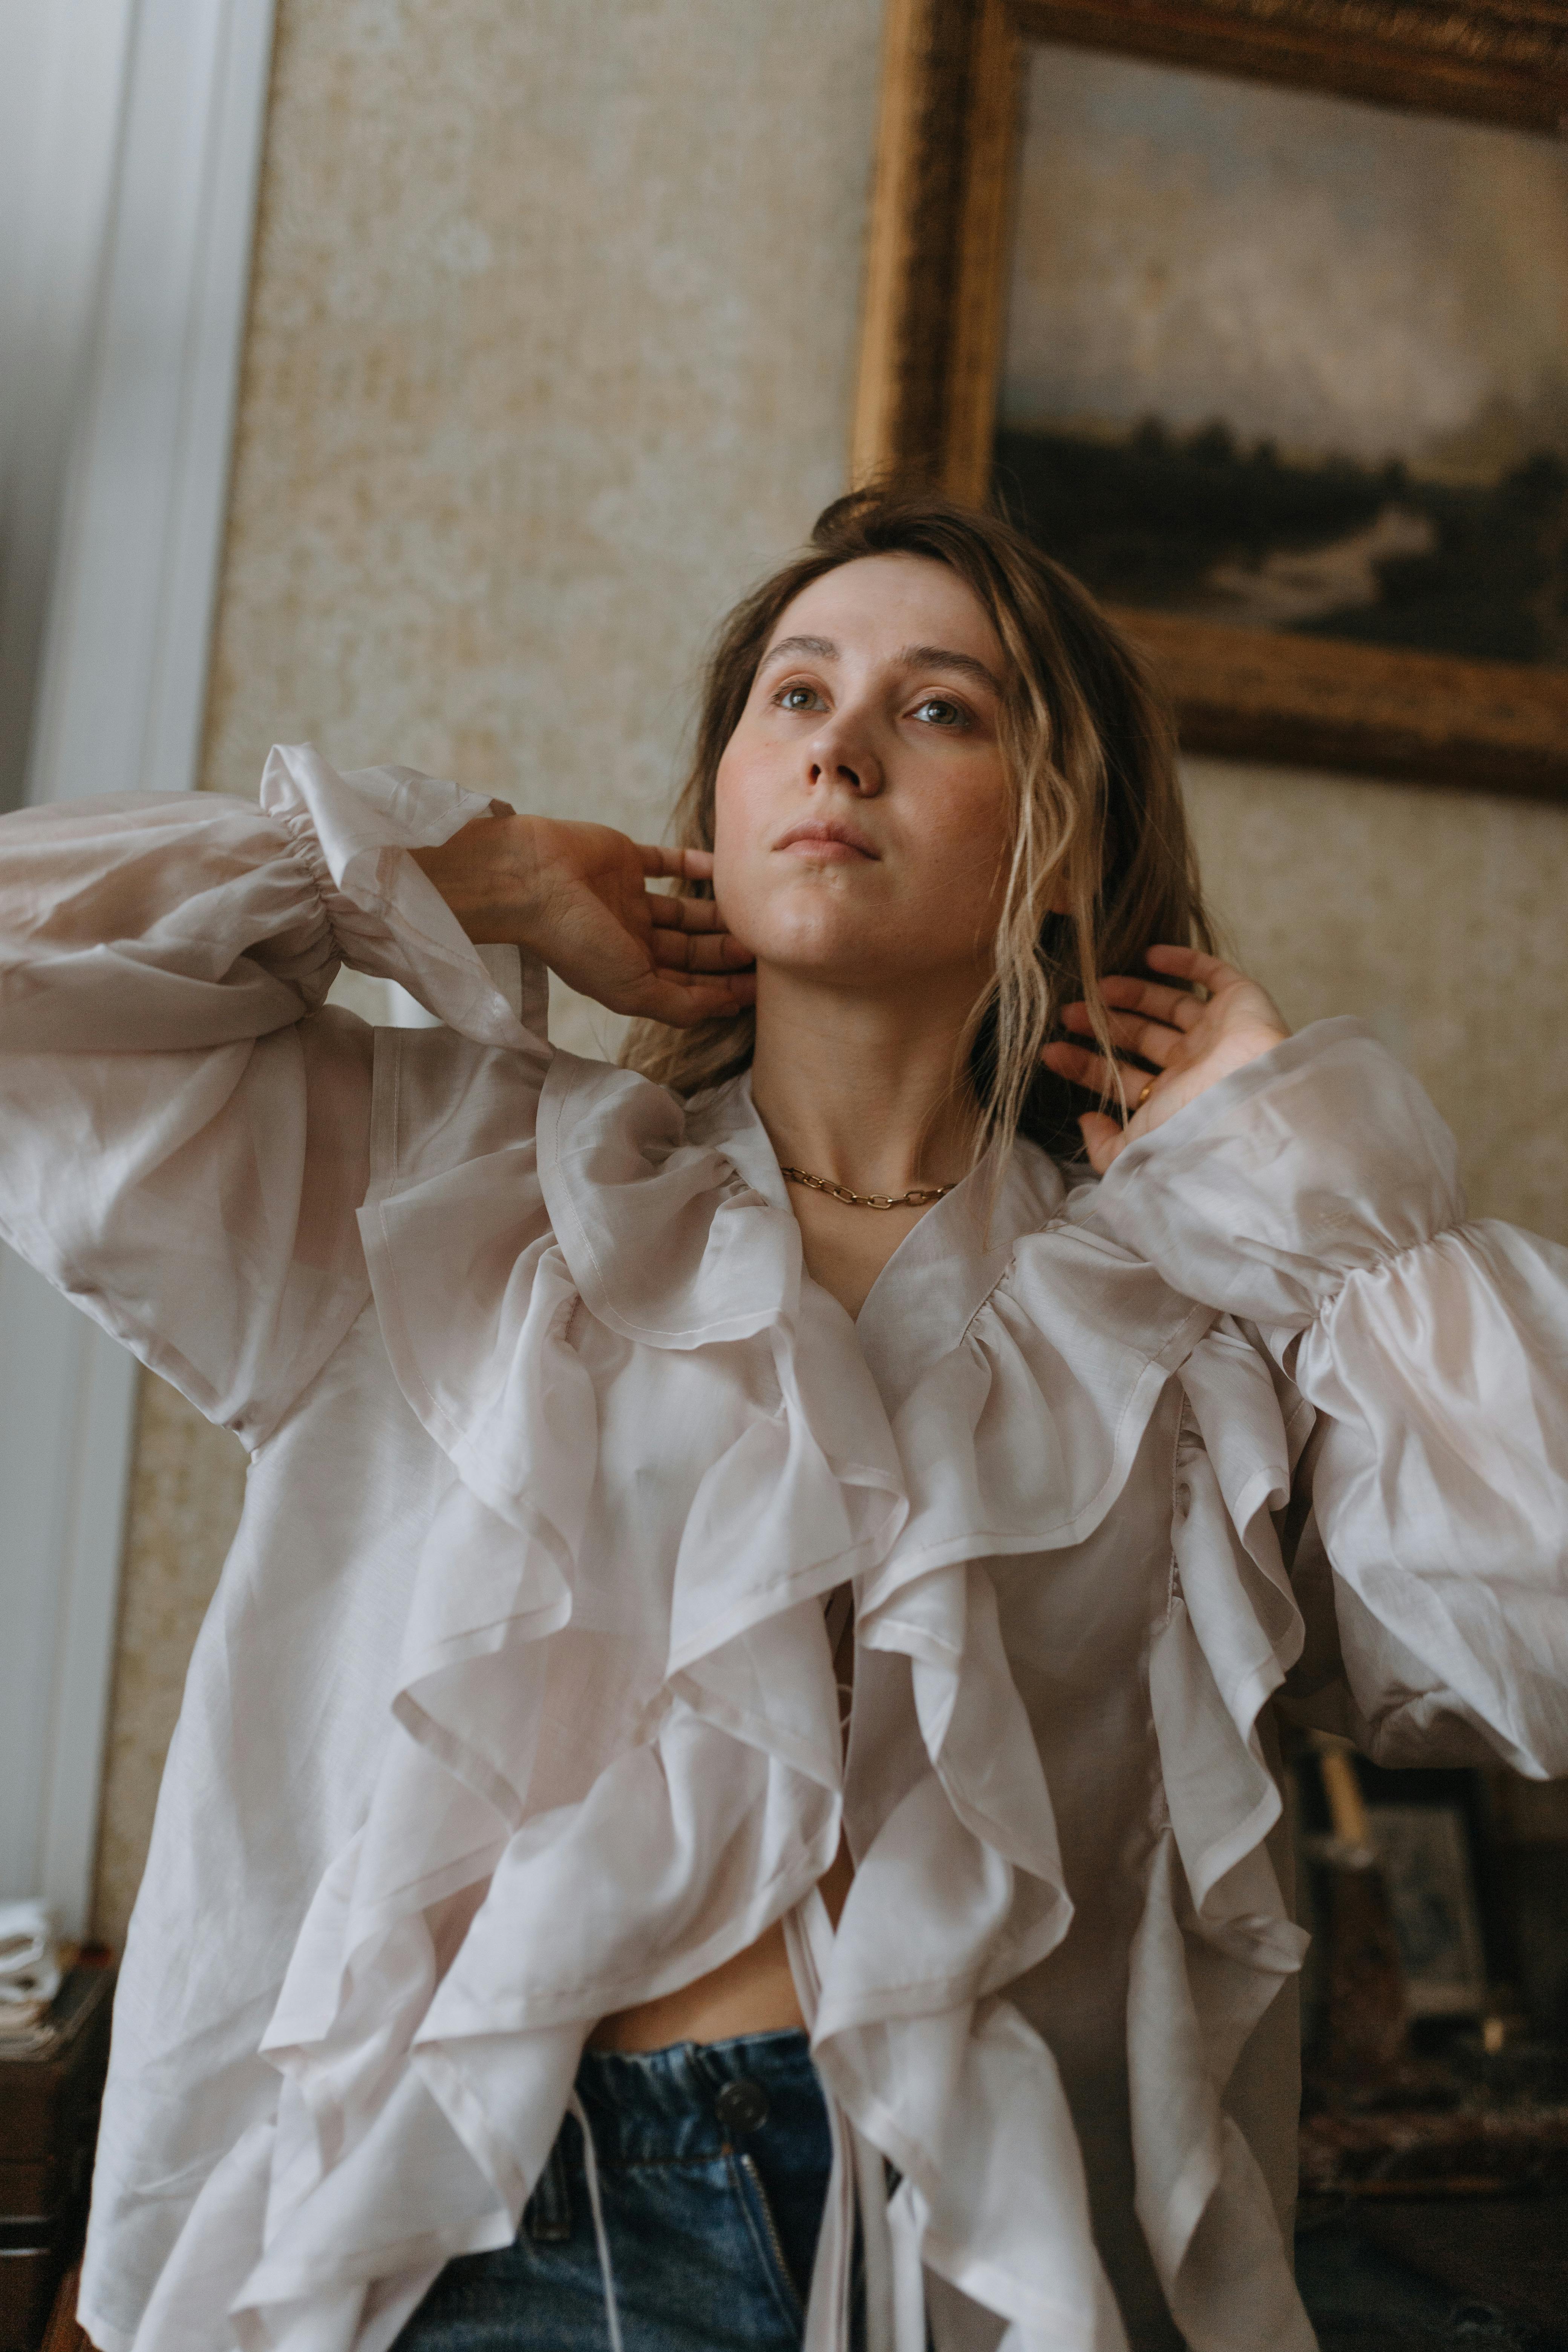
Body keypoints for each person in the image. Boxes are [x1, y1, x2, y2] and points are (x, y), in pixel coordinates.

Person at [1, 490, 1565, 2352]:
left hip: (955, 2267)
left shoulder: (1190, 1324)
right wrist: (461, 877)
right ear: (718, 802)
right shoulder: (459, 1190)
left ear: (1066, 849)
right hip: (480, 2228)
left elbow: (1529, 1625)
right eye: (792, 693)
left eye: (938, 709)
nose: (834, 740)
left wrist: (1316, 1192)